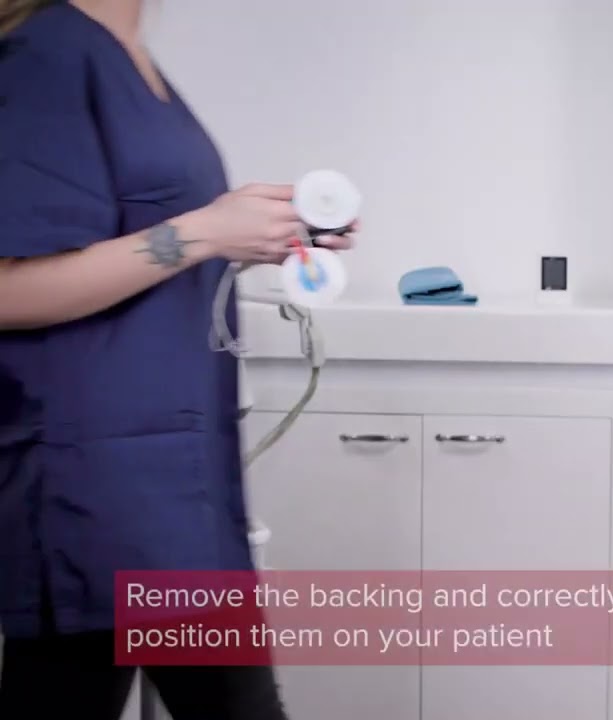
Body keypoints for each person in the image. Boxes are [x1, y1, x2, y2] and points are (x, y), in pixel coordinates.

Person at [0, 1, 353, 717]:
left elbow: (144, 246)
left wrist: (259, 234)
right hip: (96, 490)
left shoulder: (128, 57)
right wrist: (204, 233)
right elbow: (9, 288)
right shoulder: (50, 55)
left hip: (170, 480)